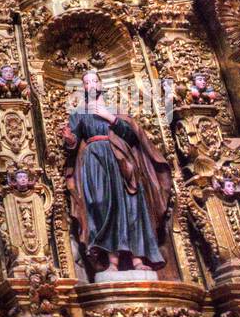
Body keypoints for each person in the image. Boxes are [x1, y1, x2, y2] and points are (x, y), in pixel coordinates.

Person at [63, 69, 171, 273]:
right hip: (95, 163)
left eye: (95, 81)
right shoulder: (78, 113)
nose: (92, 85)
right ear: (83, 88)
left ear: (101, 84)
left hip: (121, 160)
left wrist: (109, 118)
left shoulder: (115, 109)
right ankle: (111, 261)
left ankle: (137, 260)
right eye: (87, 82)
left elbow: (132, 136)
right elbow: (74, 143)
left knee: (131, 207)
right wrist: (70, 140)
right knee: (102, 206)